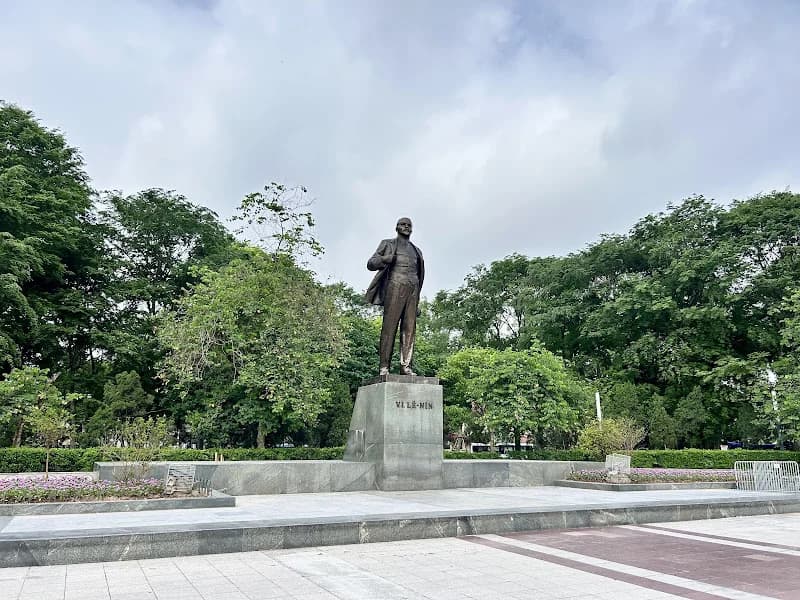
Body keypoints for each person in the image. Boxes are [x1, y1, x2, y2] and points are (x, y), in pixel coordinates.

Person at [365, 217, 425, 376]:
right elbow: (371, 264)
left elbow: (420, 274)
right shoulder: (388, 244)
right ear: (396, 227)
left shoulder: (416, 250)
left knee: (409, 330)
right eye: (403, 224)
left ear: (412, 229)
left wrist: (417, 300)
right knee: (389, 328)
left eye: (409, 225)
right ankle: (384, 367)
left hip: (413, 289)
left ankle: (406, 367)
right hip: (395, 286)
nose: (406, 227)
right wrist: (385, 259)